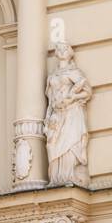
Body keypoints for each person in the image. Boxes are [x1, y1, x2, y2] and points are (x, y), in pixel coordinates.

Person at [43, 42, 91, 187]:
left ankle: (68, 175)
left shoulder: (75, 72)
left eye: (65, 48)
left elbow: (87, 91)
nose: (62, 50)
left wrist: (73, 97)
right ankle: (55, 177)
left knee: (69, 143)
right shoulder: (52, 75)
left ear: (70, 53)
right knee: (51, 144)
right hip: (56, 113)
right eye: (59, 48)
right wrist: (47, 118)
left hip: (71, 112)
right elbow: (50, 99)